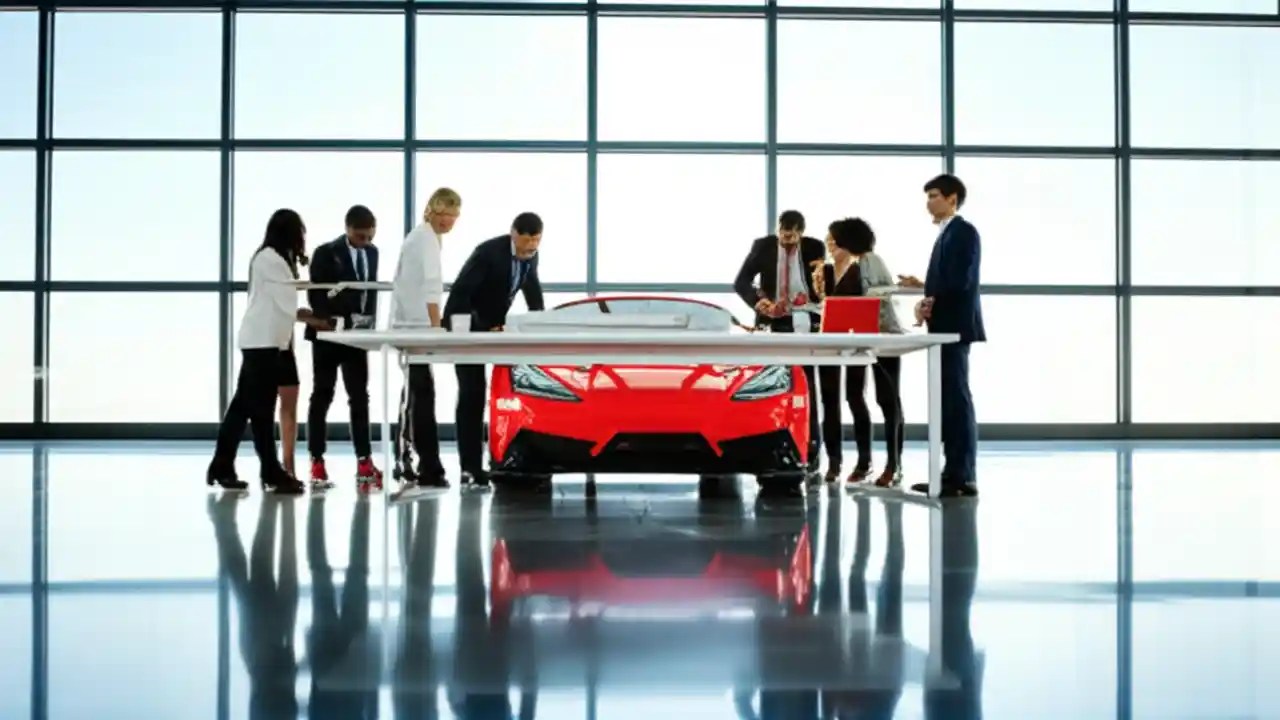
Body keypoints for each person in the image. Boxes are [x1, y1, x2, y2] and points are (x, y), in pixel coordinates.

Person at [207, 209, 334, 494]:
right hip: (261, 344)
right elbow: (287, 303)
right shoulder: (269, 259)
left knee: (242, 408)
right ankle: (270, 472)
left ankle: (223, 465)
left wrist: (312, 317)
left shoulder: (275, 259)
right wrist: (316, 319)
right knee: (260, 410)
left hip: (265, 342)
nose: (302, 239)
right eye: (299, 232)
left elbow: (287, 303)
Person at [443, 212, 546, 488]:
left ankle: (505, 459)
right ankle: (470, 468)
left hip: (496, 332)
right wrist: (479, 329)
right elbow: (460, 295)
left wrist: (541, 321)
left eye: (533, 246)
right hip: (467, 330)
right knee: (472, 394)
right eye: (524, 246)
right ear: (513, 234)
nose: (528, 252)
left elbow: (532, 289)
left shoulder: (532, 255)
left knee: (507, 391)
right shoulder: (489, 253)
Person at [898, 174, 985, 498]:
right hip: (945, 326)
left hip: (954, 328)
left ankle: (962, 477)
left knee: (956, 400)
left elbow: (961, 280)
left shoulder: (962, 232)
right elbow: (949, 279)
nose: (928, 202)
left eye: (934, 195)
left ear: (952, 198)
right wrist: (922, 287)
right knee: (948, 400)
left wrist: (929, 300)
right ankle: (953, 474)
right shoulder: (947, 234)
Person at [733, 209, 826, 480]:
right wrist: (760, 302)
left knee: (806, 384)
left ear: (802, 233)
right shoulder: (762, 246)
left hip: (805, 320)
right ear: (777, 230)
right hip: (772, 320)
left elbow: (824, 284)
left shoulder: (815, 247)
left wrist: (813, 297)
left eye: (793, 235)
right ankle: (767, 450)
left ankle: (811, 450)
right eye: (784, 234)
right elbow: (740, 282)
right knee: (768, 384)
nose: (788, 240)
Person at [815, 217, 907, 487]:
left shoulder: (869, 260)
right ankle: (857, 462)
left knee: (887, 401)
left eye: (834, 239)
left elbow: (879, 300)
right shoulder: (832, 270)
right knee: (852, 395)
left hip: (882, 340)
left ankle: (893, 465)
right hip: (852, 341)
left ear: (848, 240)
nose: (829, 244)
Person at [305, 204, 384, 493]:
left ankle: (364, 461)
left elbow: (370, 291)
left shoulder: (373, 252)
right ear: (348, 228)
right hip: (328, 334)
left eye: (369, 237)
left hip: (357, 335)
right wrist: (331, 320)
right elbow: (316, 294)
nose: (365, 242)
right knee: (323, 394)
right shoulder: (326, 252)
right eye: (361, 236)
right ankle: (316, 460)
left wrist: (368, 325)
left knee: (359, 396)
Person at [389, 187, 461, 490]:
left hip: (411, 325)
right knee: (419, 394)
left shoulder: (423, 236)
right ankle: (423, 463)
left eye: (454, 215)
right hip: (414, 327)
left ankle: (417, 460)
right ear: (433, 210)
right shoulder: (426, 238)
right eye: (446, 213)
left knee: (418, 393)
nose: (450, 220)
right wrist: (436, 328)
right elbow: (431, 287)